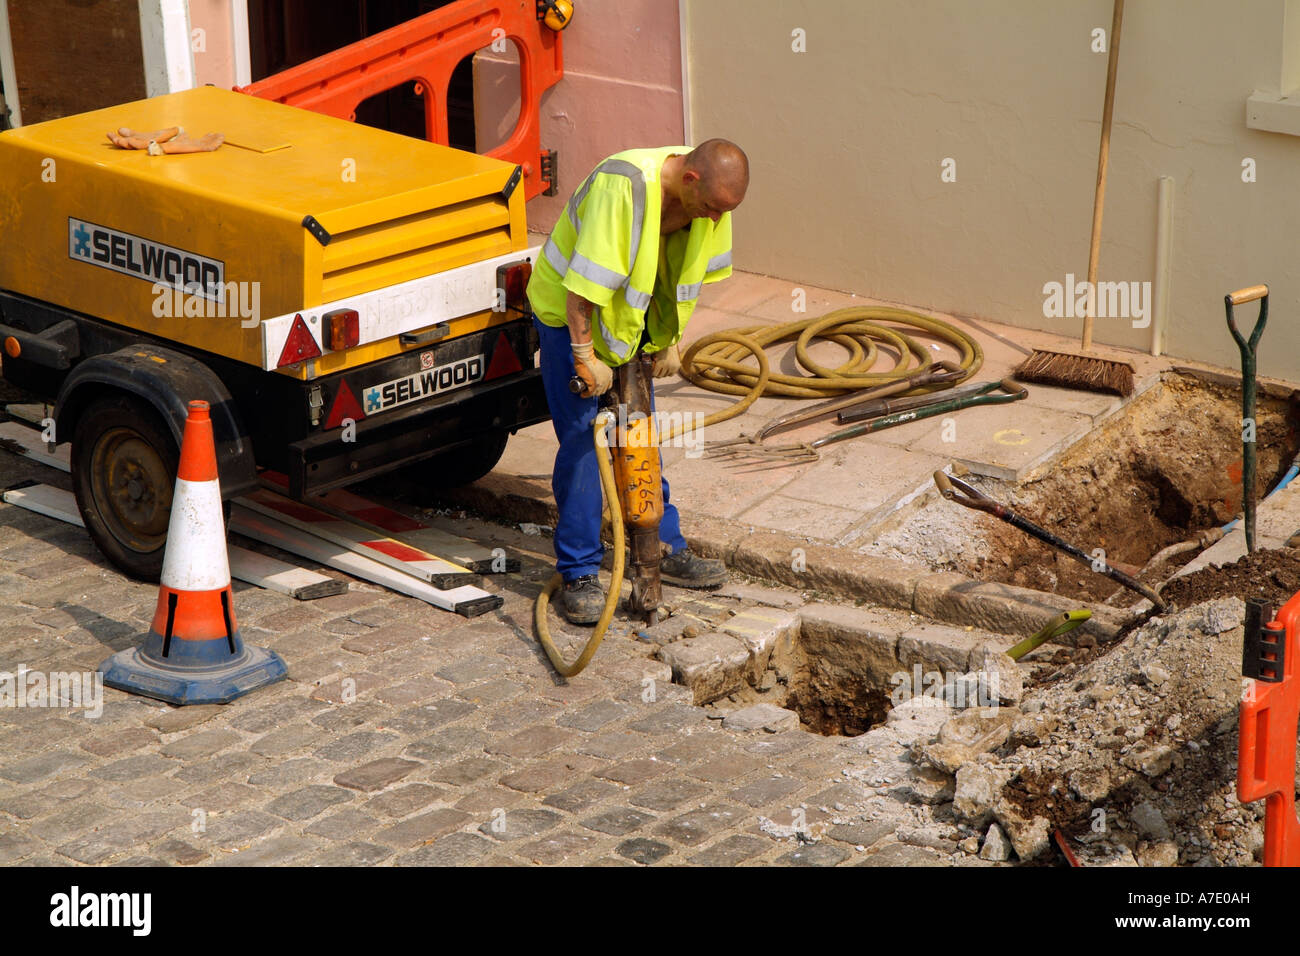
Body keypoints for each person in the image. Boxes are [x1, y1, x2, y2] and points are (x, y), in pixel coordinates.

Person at [527, 139, 750, 624]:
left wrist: (667, 337)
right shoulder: (621, 186)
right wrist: (585, 358)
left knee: (639, 433)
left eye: (724, 212)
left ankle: (661, 546)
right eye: (711, 208)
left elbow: (679, 273)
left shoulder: (713, 198)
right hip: (572, 320)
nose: (715, 220)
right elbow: (581, 291)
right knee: (589, 443)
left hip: (631, 323)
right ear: (689, 180)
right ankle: (580, 572)